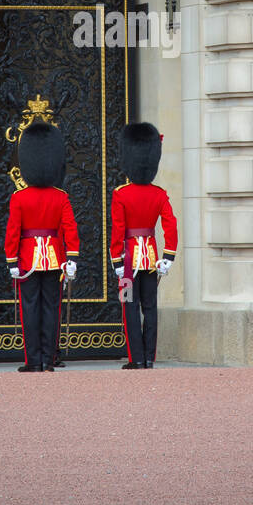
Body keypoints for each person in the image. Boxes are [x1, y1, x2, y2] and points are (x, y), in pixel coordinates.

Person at [5, 122, 78, 372]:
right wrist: (72, 258)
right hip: (54, 258)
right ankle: (49, 360)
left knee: (30, 310)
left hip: (27, 260)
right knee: (51, 310)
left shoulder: (19, 197)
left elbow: (13, 232)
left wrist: (12, 261)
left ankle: (33, 361)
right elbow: (70, 229)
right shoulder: (61, 197)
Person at [111, 122, 178, 369]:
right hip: (150, 258)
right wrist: (168, 257)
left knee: (130, 306)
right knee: (150, 307)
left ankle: (136, 358)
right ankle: (149, 357)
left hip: (128, 261)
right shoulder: (159, 194)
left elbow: (118, 229)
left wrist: (117, 260)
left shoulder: (121, 193)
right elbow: (170, 225)